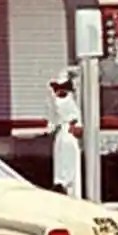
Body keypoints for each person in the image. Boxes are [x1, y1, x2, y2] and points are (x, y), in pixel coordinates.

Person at [47, 69, 83, 198]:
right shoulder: (65, 100)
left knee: (66, 163)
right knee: (68, 165)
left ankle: (63, 186)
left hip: (65, 133)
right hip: (67, 132)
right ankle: (64, 187)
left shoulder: (65, 100)